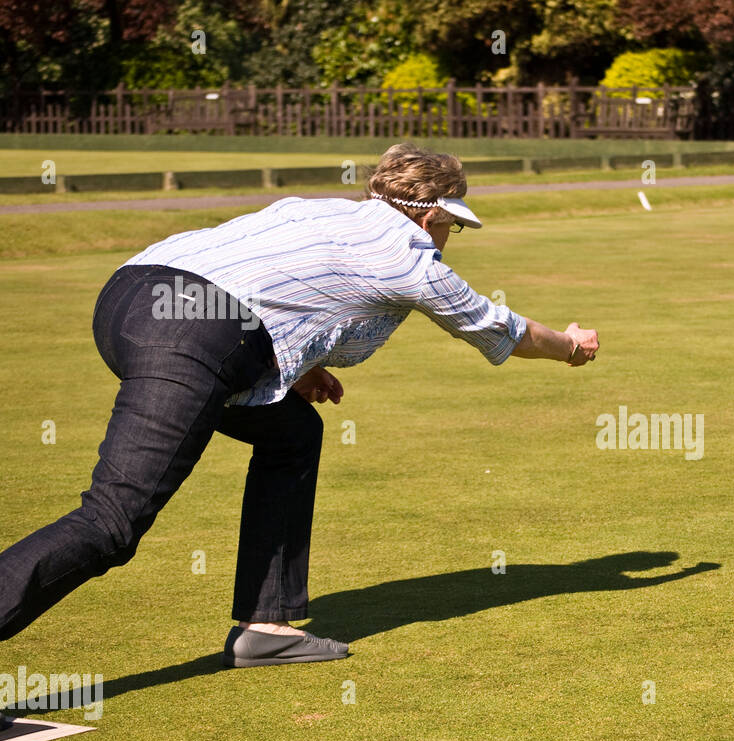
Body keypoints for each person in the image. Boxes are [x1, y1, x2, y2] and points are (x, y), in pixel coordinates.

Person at [0, 143, 599, 675]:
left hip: (129, 295)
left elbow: (269, 281)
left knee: (290, 432)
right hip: (192, 334)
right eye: (453, 226)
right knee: (112, 521)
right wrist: (571, 346)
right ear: (433, 212)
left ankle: (266, 628)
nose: (448, 239)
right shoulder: (410, 259)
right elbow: (502, 329)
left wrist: (287, 358)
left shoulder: (312, 208)